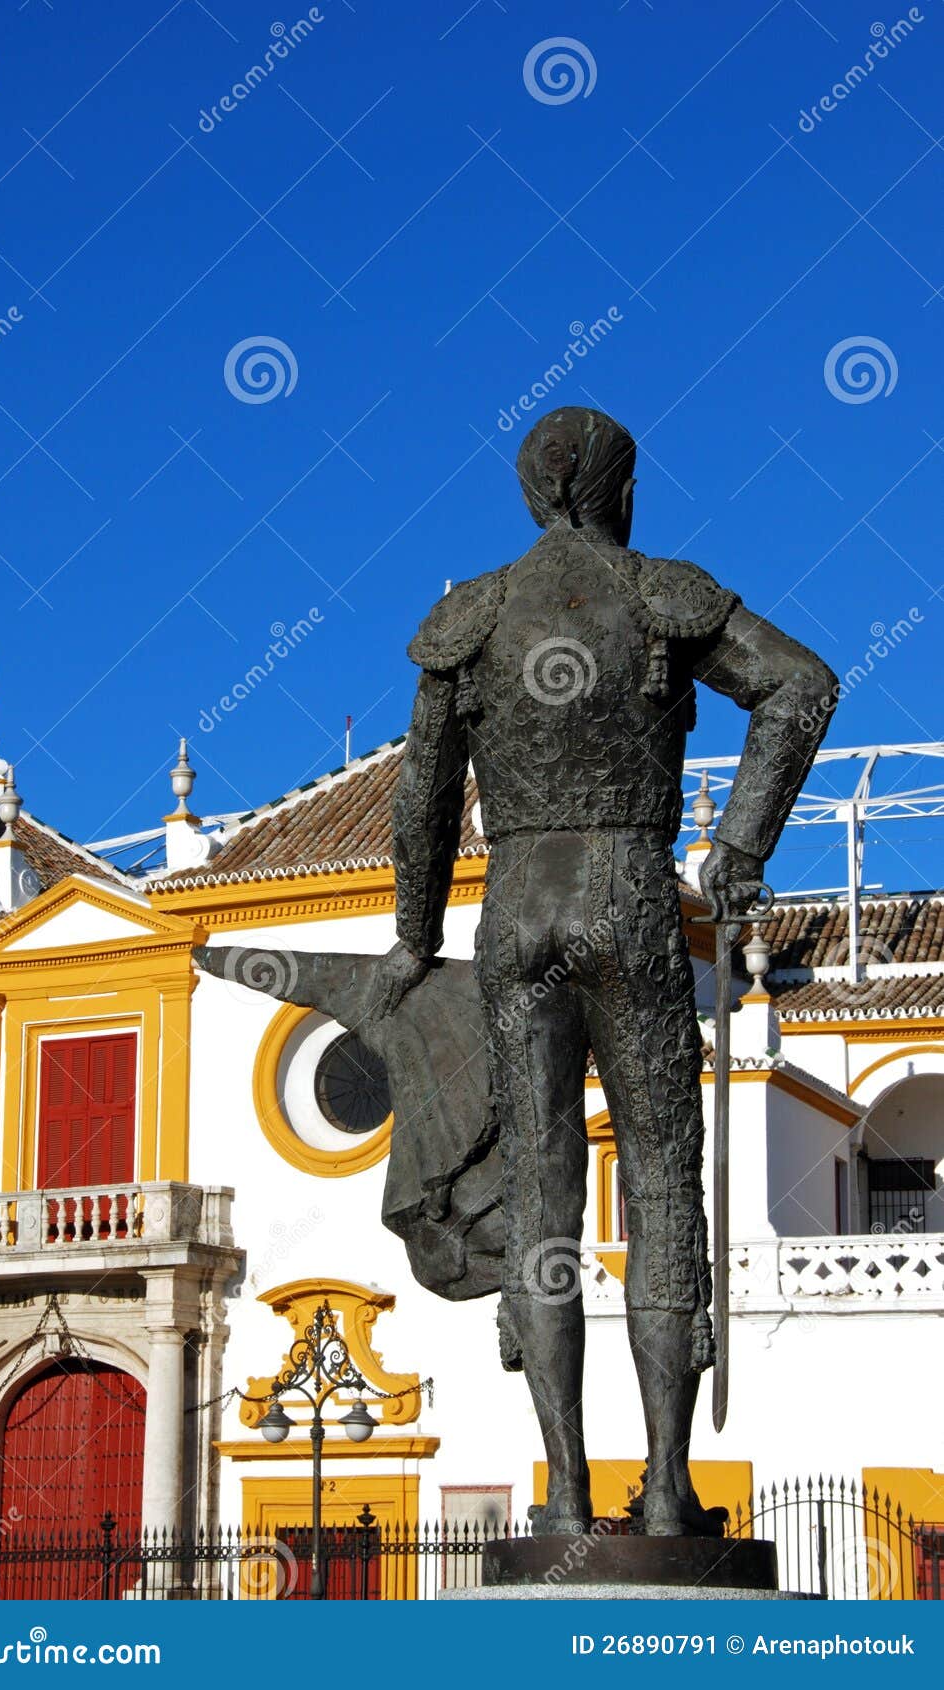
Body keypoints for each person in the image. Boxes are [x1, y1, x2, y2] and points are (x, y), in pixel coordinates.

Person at [375, 407, 837, 1536]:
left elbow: (422, 792)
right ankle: (671, 1489)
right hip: (628, 895)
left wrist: (411, 932)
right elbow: (801, 687)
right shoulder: (659, 593)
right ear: (616, 492)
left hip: (515, 910)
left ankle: (567, 1492)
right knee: (661, 1181)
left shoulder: (468, 617)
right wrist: (736, 848)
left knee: (540, 1197)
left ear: (533, 495)